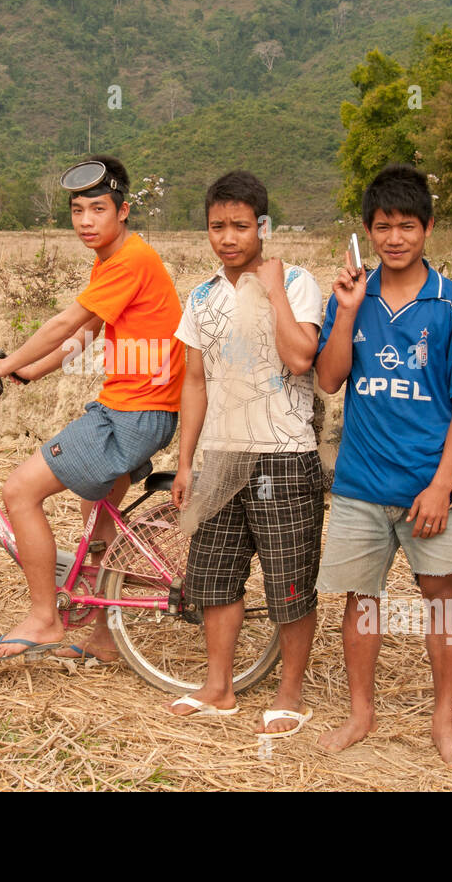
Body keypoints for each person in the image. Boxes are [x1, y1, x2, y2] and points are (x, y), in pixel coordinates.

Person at [0, 156, 185, 660]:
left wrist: (3, 362)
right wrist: (26, 371)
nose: (86, 221)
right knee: (97, 513)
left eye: (98, 209)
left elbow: (67, 322)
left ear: (123, 211)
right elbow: (87, 333)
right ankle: (104, 637)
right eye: (77, 210)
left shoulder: (129, 259)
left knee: (19, 492)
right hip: (140, 409)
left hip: (132, 413)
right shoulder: (112, 259)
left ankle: (44, 619)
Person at [313, 163, 452, 765]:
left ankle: (444, 722)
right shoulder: (353, 297)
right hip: (361, 484)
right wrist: (345, 311)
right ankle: (360, 714)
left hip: (429, 488)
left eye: (408, 226)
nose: (395, 238)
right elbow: (329, 377)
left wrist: (442, 485)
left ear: (427, 229)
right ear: (367, 230)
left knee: (441, 597)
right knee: (360, 599)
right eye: (383, 226)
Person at [168, 170, 325, 737]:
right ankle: (218, 687)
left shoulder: (300, 282)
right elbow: (194, 383)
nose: (228, 237)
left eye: (240, 225)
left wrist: (274, 289)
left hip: (284, 454)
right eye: (217, 226)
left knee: (289, 579)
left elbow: (303, 358)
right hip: (221, 456)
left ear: (263, 225)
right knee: (214, 576)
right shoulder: (202, 296)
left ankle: (290, 692)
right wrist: (187, 463)